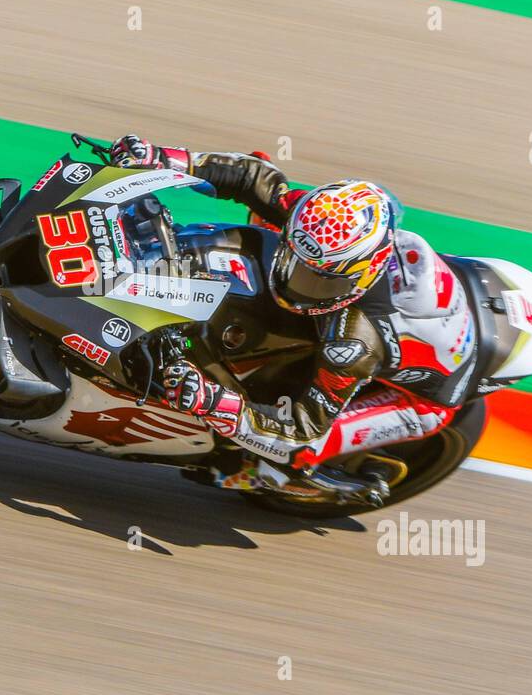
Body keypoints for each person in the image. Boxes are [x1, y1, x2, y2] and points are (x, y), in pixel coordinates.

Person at [109, 134, 478, 501]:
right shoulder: (321, 226)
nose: (296, 284)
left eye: (316, 280)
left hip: (426, 398)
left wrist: (212, 401)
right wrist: (162, 157)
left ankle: (281, 478)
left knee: (291, 455)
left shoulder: (354, 343)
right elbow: (254, 178)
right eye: (295, 263)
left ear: (360, 278)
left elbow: (304, 426)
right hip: (421, 302)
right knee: (262, 225)